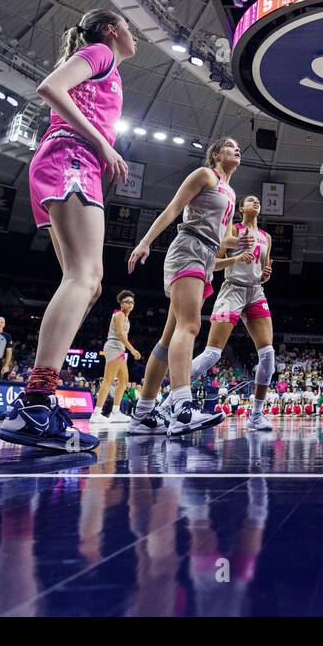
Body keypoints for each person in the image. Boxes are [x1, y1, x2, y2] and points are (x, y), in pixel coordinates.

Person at [1, 8, 133, 453]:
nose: (134, 36)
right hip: (72, 157)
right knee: (85, 278)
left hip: (69, 160)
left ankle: (38, 399)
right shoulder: (100, 52)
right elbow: (50, 88)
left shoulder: (106, 65)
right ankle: (36, 401)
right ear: (112, 31)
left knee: (86, 284)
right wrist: (100, 142)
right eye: (128, 27)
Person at [126, 138, 240, 437]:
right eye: (230, 145)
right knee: (189, 327)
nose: (237, 149)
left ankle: (142, 413)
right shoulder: (204, 175)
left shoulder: (230, 191)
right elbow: (174, 208)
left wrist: (240, 244)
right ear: (216, 154)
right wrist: (145, 242)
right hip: (189, 247)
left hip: (206, 255)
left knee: (168, 339)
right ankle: (181, 408)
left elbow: (223, 238)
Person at [200, 195, 278, 432]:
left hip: (255, 291)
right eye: (251, 200)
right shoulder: (234, 229)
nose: (256, 202)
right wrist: (235, 257)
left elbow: (264, 268)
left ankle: (256, 414)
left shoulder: (267, 237)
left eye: (258, 201)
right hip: (232, 289)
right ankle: (173, 398)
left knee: (268, 356)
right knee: (212, 355)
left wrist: (266, 273)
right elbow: (214, 263)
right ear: (241, 208)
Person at [92, 291, 141, 424]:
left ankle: (115, 412)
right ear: (121, 304)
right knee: (108, 381)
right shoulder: (119, 315)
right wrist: (132, 350)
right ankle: (96, 413)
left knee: (124, 380)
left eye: (132, 302)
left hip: (119, 348)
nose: (130, 304)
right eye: (127, 302)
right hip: (113, 345)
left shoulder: (126, 317)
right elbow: (120, 334)